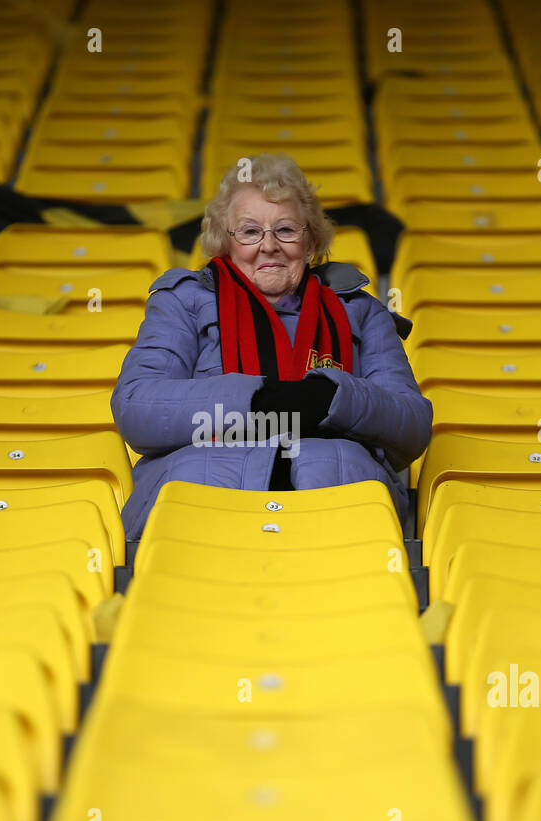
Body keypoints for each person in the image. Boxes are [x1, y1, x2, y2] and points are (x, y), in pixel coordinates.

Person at [111, 153, 432, 539]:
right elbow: (137, 406)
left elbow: (412, 425)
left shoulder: (361, 309)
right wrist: (256, 400)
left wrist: (332, 397)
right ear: (223, 242)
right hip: (200, 507)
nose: (269, 246)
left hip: (337, 508)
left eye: (285, 230)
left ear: (310, 239)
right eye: (249, 231)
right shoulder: (182, 300)